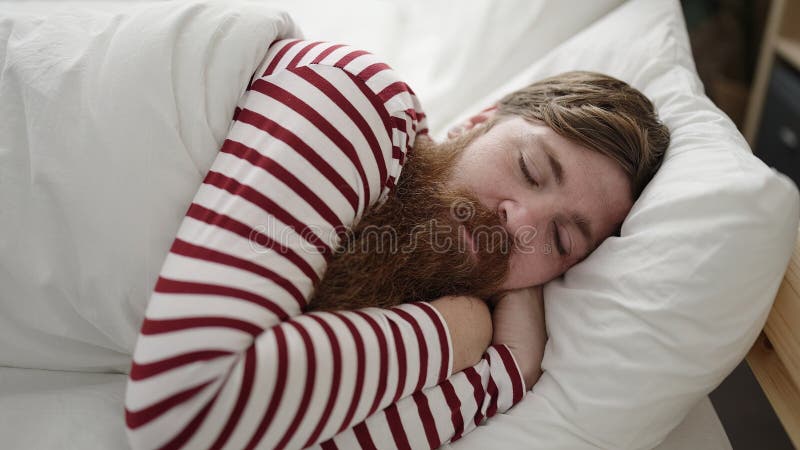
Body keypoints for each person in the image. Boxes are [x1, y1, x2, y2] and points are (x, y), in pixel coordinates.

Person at [124, 39, 669, 450]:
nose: (518, 221)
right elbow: (184, 414)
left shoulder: (400, 289)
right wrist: (481, 348)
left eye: (560, 238)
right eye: (528, 168)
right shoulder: (361, 103)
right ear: (477, 123)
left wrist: (505, 356)